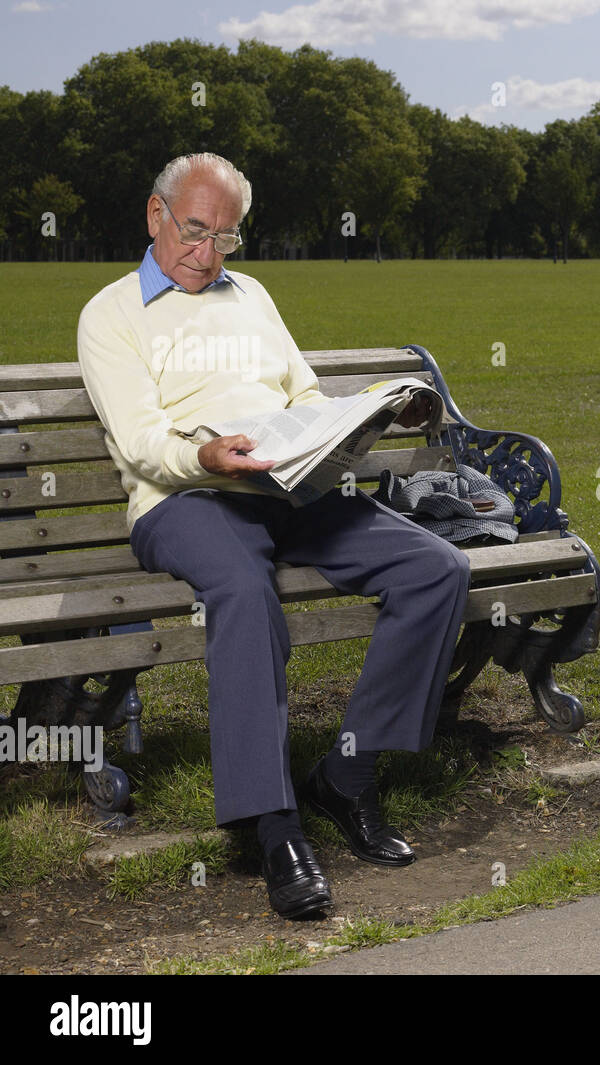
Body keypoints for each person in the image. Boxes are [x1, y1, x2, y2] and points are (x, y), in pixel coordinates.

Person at [77, 152, 471, 919]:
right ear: (155, 216)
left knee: (437, 568)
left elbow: (304, 393)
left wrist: (362, 418)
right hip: (184, 498)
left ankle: (346, 778)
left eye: (227, 237)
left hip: (286, 483)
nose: (208, 252)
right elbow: (137, 441)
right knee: (244, 590)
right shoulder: (111, 314)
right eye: (195, 231)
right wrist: (205, 455)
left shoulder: (250, 293)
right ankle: (274, 826)